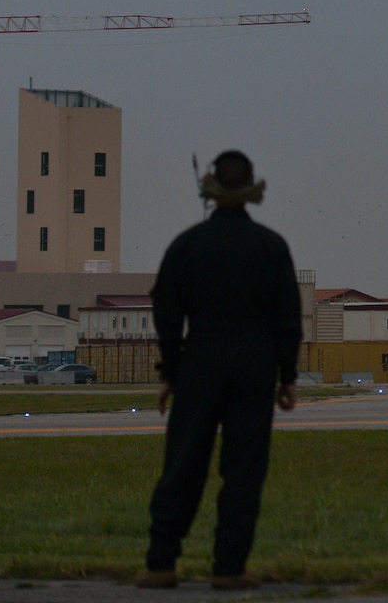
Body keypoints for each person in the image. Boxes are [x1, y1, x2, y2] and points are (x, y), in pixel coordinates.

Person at [137, 150, 303, 591]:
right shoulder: (271, 246)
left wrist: (171, 372)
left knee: (184, 463)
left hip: (201, 363)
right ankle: (229, 568)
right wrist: (287, 376)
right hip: (254, 365)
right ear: (251, 189)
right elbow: (288, 317)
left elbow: (167, 314)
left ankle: (161, 562)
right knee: (244, 470)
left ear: (209, 187)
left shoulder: (186, 245)